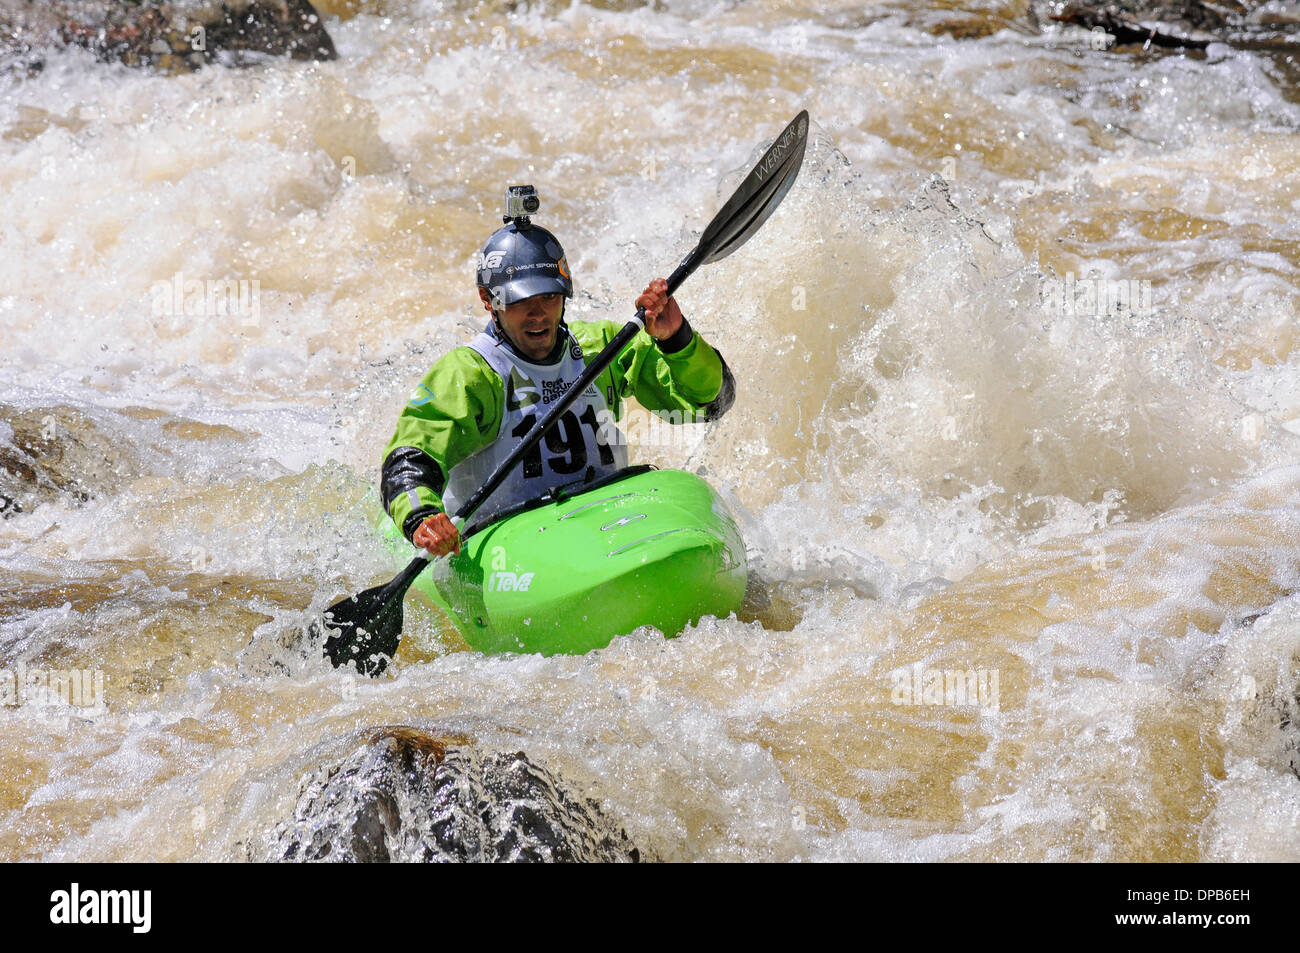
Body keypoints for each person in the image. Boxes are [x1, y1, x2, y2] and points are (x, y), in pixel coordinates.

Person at [381, 199, 735, 557]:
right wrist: (423, 517)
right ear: (489, 300)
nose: (538, 314)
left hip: (605, 515)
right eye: (520, 301)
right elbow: (411, 457)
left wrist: (677, 341)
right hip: (511, 539)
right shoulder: (471, 376)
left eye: (549, 296)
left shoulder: (604, 349)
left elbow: (711, 403)